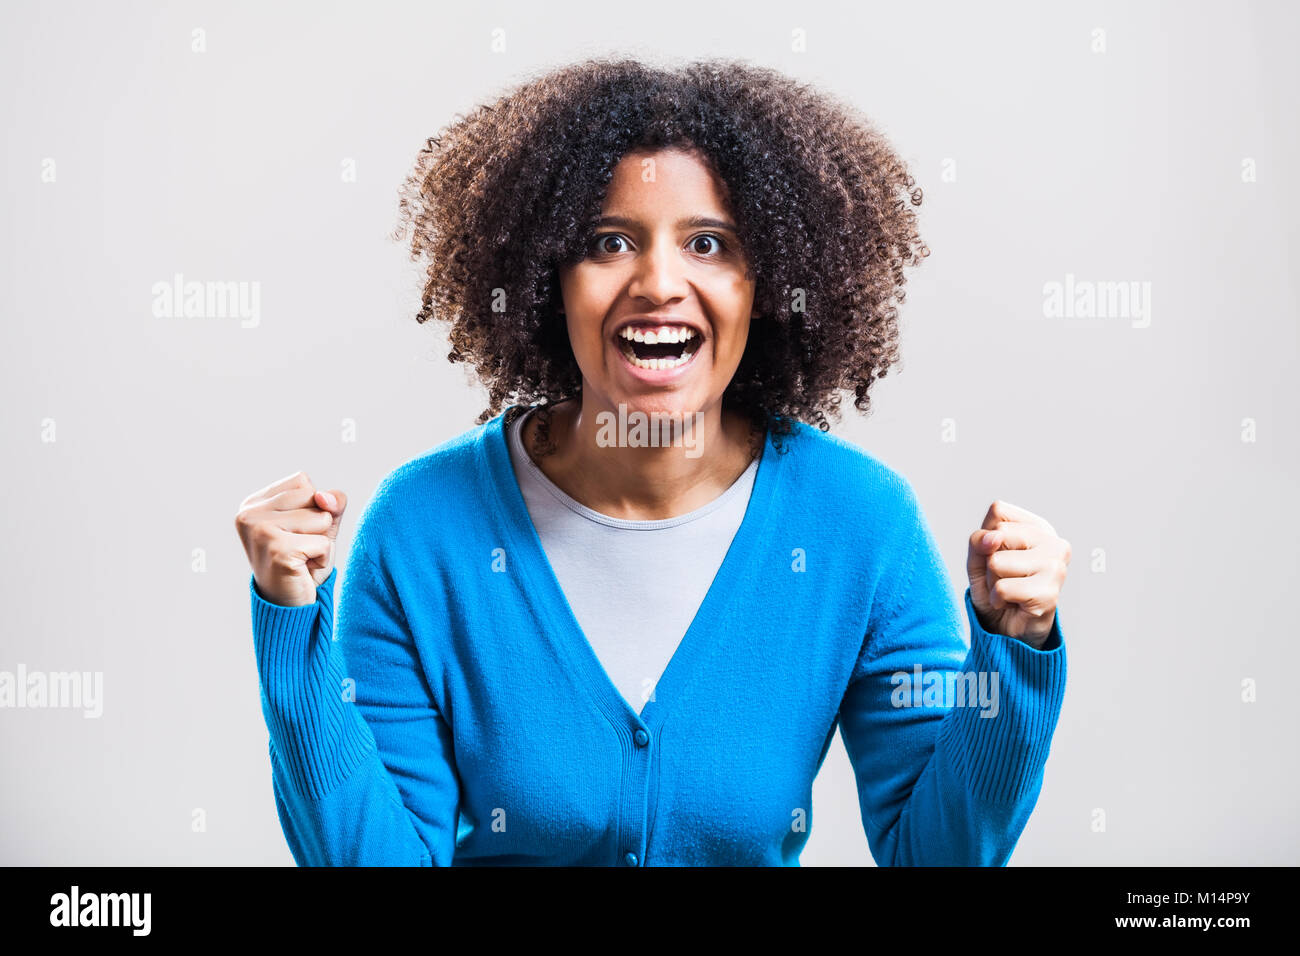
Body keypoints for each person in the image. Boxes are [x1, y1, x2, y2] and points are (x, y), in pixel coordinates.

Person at [235, 55, 1071, 866]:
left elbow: (941, 855)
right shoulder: (422, 527)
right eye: (608, 242)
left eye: (709, 244)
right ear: (546, 277)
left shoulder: (858, 522)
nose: (659, 283)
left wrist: (1015, 647)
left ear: (769, 281)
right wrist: (293, 628)